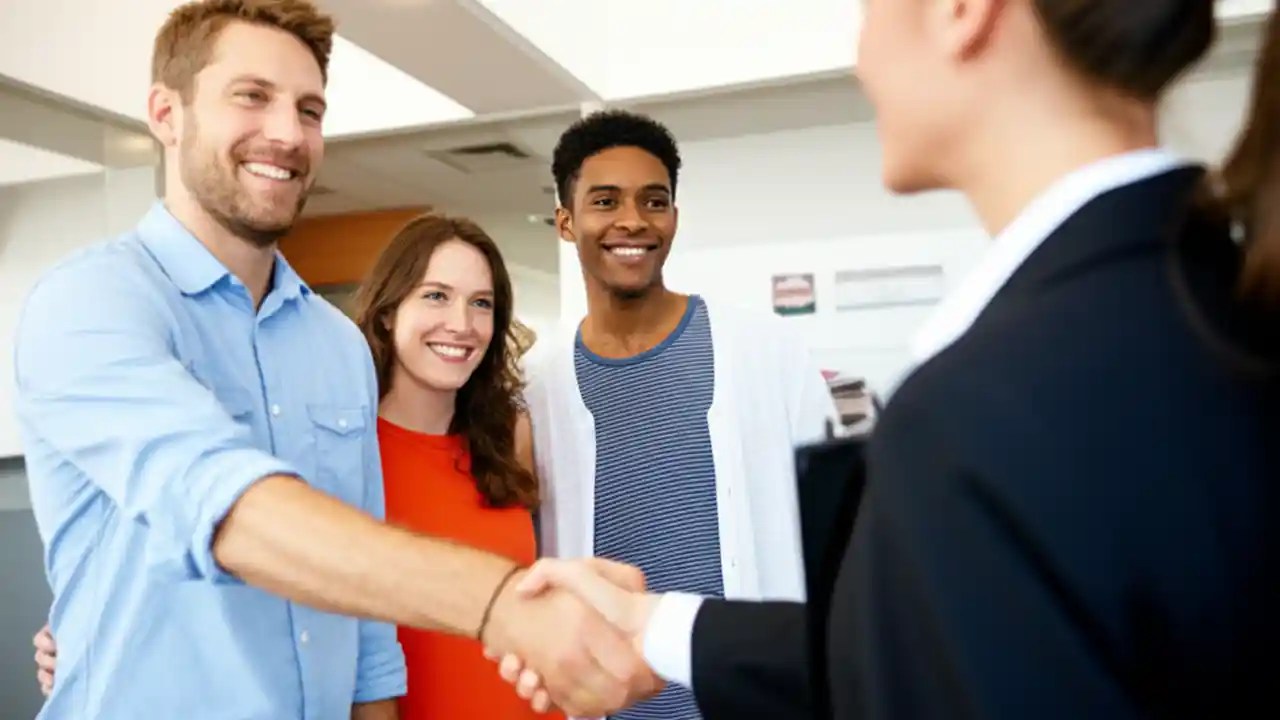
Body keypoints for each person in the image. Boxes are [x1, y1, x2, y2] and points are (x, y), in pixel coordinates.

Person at [499, 1, 1280, 718]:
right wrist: (661, 626)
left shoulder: (992, 400)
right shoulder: (1204, 313)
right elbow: (929, 645)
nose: (863, 56)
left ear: (963, 13)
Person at [14, 1, 654, 718]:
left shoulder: (335, 346)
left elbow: (366, 645)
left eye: (309, 109)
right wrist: (505, 604)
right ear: (167, 113)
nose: (287, 133)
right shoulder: (92, 302)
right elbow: (226, 509)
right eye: (251, 96)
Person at [31, 212, 567, 719]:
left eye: (481, 304)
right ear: (387, 311)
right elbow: (242, 552)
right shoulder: (329, 442)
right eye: (435, 296)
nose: (461, 324)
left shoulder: (510, 439)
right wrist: (81, 636)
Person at [522, 109, 838, 719]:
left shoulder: (764, 350)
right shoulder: (538, 384)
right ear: (565, 221)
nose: (633, 221)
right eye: (605, 201)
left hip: (755, 698)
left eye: (654, 200)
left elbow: (838, 539)